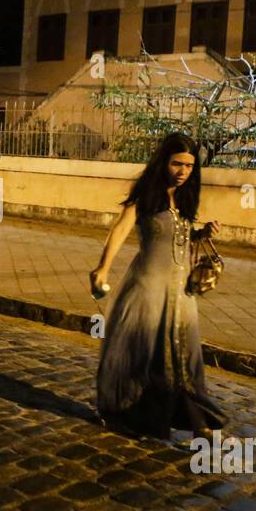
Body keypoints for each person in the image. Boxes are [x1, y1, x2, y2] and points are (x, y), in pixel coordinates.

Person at [91, 132, 224, 437]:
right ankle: (122, 412)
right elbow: (120, 230)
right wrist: (103, 268)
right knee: (139, 354)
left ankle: (200, 423)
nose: (183, 172)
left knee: (185, 356)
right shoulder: (146, 197)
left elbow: (179, 237)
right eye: (177, 164)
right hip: (148, 289)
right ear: (163, 161)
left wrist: (202, 233)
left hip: (182, 292)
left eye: (189, 167)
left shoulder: (186, 199)